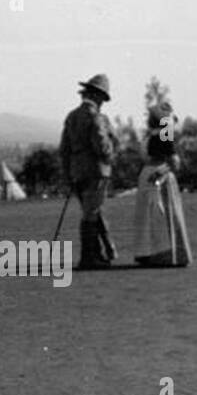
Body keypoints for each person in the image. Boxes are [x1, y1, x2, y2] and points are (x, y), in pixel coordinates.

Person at [59, 73, 117, 269]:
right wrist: (111, 154)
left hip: (77, 171)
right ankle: (89, 257)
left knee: (90, 210)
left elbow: (64, 149)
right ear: (98, 96)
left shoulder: (71, 116)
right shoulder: (96, 117)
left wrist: (68, 174)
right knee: (91, 213)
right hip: (96, 170)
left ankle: (99, 254)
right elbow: (102, 146)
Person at [133, 103, 192, 267]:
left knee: (146, 216)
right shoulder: (165, 134)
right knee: (163, 214)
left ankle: (145, 252)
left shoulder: (147, 137)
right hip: (160, 174)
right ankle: (166, 254)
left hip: (146, 175)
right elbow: (173, 161)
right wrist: (167, 168)